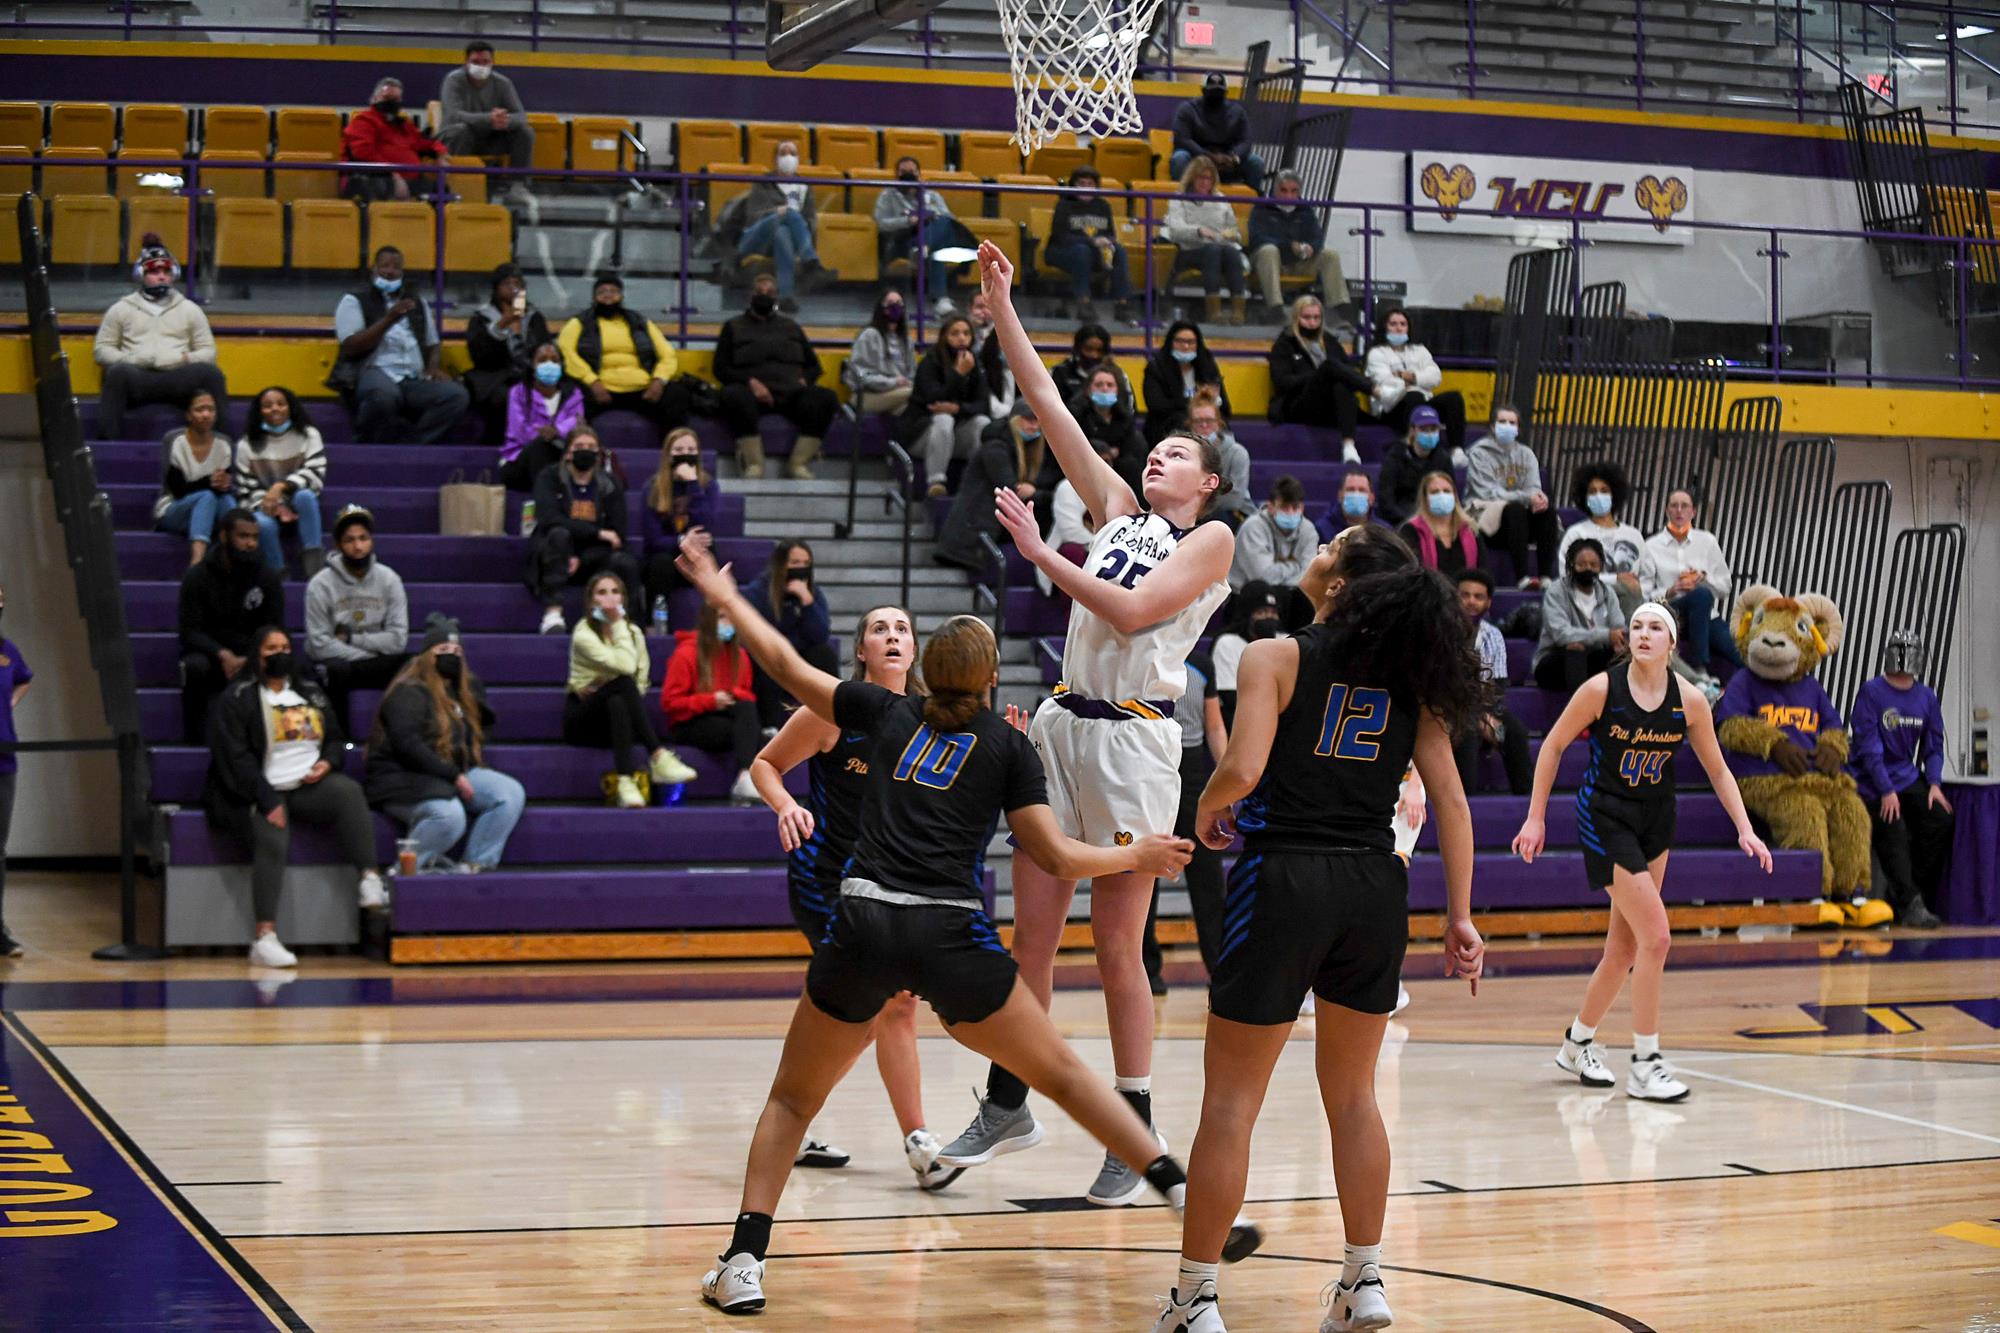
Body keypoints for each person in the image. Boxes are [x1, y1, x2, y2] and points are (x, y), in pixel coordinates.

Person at [671, 545, 1210, 1316]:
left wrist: (726, 594)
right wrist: (1140, 849)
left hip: (862, 919)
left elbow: (786, 661)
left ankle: (744, 1260)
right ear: (991, 679)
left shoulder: (883, 711)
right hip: (950, 932)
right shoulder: (1006, 742)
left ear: (925, 667)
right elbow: (1056, 854)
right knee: (1059, 1072)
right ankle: (1173, 1183)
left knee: (791, 1103)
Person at [952, 240, 1237, 1209]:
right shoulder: (1113, 505)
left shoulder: (1211, 540)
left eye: (1180, 454)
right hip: (1062, 727)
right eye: (1155, 446)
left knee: (1118, 942)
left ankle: (1132, 1127)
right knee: (1028, 931)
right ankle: (1006, 1099)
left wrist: (1039, 549)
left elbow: (1128, 613)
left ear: (1205, 483)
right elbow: (1050, 407)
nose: (1159, 454)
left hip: (1132, 738)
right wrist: (1000, 307)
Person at [1155, 524, 1485, 1333]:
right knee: (1355, 1097)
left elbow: (1244, 769)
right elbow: (1451, 802)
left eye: (1333, 544)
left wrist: (1205, 805)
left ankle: (1195, 1300)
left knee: (1230, 1101)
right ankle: (1363, 1281)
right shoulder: (1412, 679)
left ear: (1338, 583)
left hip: (1284, 878)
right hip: (1375, 887)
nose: (1319, 547)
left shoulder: (1273, 654)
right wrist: (1462, 916)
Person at [1515, 602, 1771, 1104]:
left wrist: (1745, 828)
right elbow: (1552, 747)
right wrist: (1535, 816)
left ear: (1673, 644)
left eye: (1655, 627)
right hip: (1605, 818)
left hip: (1655, 821)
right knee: (1657, 938)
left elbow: (1718, 771)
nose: (1644, 634)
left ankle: (1577, 1042)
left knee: (1624, 951)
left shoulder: (1691, 700)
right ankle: (1646, 1062)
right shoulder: (1601, 689)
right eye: (1636, 626)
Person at [748, 603, 955, 1184]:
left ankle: (791, 1117)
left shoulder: (931, 719)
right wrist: (787, 805)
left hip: (887, 882)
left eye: (903, 629)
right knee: (893, 1004)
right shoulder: (830, 710)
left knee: (866, 1015)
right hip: (825, 879)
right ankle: (920, 1146)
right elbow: (765, 764)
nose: (892, 637)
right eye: (879, 629)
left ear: (914, 651)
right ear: (861, 650)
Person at [204, 625, 388, 969]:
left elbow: (336, 738)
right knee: (272, 836)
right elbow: (235, 757)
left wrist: (328, 762)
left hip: (308, 785)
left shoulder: (310, 692)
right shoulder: (239, 696)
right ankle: (265, 937)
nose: (280, 654)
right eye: (271, 648)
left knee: (348, 792)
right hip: (259, 789)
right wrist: (266, 797)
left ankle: (370, 878)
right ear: (257, 654)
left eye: (286, 647)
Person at [365, 613, 526, 874]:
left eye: (456, 650)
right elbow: (407, 746)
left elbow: (479, 731)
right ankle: (400, 876)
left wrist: (459, 769)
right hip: (401, 777)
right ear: (427, 655)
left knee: (509, 793)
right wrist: (453, 776)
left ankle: (474, 865)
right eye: (443, 649)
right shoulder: (408, 691)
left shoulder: (463, 692)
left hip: (447, 774)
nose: (451, 655)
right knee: (448, 817)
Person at [564, 571, 698, 807]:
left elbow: (641, 680)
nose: (610, 599)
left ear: (624, 598)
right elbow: (626, 668)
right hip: (583, 716)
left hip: (618, 717)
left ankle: (626, 780)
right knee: (623, 684)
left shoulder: (634, 633)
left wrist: (611, 685)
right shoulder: (583, 632)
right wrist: (616, 623)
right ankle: (657, 755)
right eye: (602, 592)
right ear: (591, 600)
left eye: (615, 592)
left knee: (619, 699)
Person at [1851, 630, 1953, 929]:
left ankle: (1909, 893)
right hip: (1871, 778)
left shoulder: (1926, 697)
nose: (1904, 656)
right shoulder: (1871, 692)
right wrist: (1885, 789)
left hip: (1907, 775)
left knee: (1939, 819)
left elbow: (1933, 746)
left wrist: (1934, 783)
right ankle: (1910, 901)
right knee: (1891, 823)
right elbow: (1868, 747)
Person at [93, 234, 227, 441]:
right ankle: (107, 443)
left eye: (166, 271)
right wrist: (132, 359)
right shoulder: (120, 309)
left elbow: (208, 352)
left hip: (177, 377)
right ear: (141, 274)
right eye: (154, 271)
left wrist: (184, 359)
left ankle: (222, 443)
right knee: (118, 373)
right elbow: (101, 350)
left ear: (173, 274)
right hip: (139, 377)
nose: (162, 276)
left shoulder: (190, 309)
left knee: (211, 374)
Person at [332, 246, 470, 445]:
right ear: (374, 269)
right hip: (373, 371)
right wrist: (389, 319)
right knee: (383, 396)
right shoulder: (354, 300)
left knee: (456, 396)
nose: (390, 271)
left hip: (412, 378)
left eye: (396, 267)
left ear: (402, 272)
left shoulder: (416, 302)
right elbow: (351, 346)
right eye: (384, 266)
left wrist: (432, 367)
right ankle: (367, 444)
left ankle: (413, 444)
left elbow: (433, 342)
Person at [713, 273, 840, 481]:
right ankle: (754, 464)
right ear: (750, 296)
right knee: (732, 395)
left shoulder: (791, 327)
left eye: (770, 292)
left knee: (826, 398)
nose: (764, 296)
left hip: (792, 395)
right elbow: (721, 369)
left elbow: (814, 367)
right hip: (752, 396)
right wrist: (750, 382)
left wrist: (804, 380)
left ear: (777, 297)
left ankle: (799, 464)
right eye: (759, 292)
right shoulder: (733, 327)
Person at [178, 510, 283, 744]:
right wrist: (222, 654)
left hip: (252, 655)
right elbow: (189, 631)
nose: (250, 543)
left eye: (255, 537)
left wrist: (251, 657)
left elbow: (275, 627)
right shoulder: (197, 577)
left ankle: (273, 742)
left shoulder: (267, 576)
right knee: (194, 667)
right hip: (211, 655)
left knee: (281, 661)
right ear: (225, 537)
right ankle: (196, 744)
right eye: (243, 536)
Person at [305, 504, 409, 736]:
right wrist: (372, 655)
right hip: (342, 663)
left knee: (413, 665)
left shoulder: (390, 579)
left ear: (371, 541)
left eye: (363, 538)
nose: (358, 546)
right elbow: (320, 645)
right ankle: (341, 742)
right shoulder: (320, 585)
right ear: (338, 545)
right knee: (333, 668)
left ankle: (397, 740)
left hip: (369, 659)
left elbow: (398, 640)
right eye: (350, 540)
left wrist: (352, 638)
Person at [528, 425, 641, 636]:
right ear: (568, 451)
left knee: (625, 562)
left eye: (591, 446)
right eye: (579, 446)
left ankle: (631, 625)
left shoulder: (610, 483)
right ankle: (553, 613)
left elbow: (617, 535)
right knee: (559, 535)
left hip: (594, 557)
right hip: (554, 553)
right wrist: (596, 533)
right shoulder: (550, 477)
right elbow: (549, 519)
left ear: (598, 453)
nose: (585, 450)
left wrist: (582, 558)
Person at [556, 272, 689, 436]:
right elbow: (565, 353)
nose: (608, 296)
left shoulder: (640, 321)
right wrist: (592, 382)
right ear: (594, 297)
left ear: (621, 296)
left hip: (642, 389)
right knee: (572, 397)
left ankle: (675, 452)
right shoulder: (579, 323)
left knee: (677, 395)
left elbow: (667, 353)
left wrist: (658, 381)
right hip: (599, 389)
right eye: (602, 292)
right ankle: (578, 453)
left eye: (613, 291)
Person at [662, 603, 763, 804]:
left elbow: (748, 695)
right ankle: (746, 777)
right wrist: (710, 701)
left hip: (725, 716)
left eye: (731, 618)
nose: (728, 623)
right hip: (690, 722)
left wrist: (730, 695)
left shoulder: (739, 655)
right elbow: (671, 703)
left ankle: (745, 776)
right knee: (749, 733)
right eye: (722, 617)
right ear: (708, 620)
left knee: (747, 715)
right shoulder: (686, 653)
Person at [1170, 650, 1230, 974]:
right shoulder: (1148, 650)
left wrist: (1229, 781)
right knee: (1143, 876)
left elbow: (1216, 728)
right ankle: (1147, 972)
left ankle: (1221, 971)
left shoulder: (1202, 662)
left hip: (1192, 770)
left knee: (1208, 880)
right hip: (1151, 764)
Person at [1646, 489, 1742, 686]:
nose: (1679, 511)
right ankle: (1700, 667)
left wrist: (1703, 578)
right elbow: (1642, 593)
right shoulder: (1651, 546)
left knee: (1740, 653)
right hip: (1671, 611)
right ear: (1666, 510)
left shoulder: (1707, 541)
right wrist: (1670, 590)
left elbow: (1725, 586)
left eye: (1685, 506)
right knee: (1701, 596)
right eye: (1674, 505)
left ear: (1693, 512)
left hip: (1704, 613)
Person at [936, 400, 1046, 573]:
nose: (1034, 425)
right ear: (1015, 420)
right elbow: (1008, 488)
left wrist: (1037, 492)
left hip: (988, 526)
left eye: (1037, 420)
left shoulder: (1027, 449)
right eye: (1028, 419)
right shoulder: (995, 447)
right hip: (971, 532)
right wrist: (1043, 495)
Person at [743, 540, 840, 728]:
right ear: (780, 564)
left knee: (824, 653)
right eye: (795, 563)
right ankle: (769, 726)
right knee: (762, 659)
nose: (801, 569)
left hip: (799, 654)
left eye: (806, 564)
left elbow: (820, 634)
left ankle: (832, 716)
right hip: (770, 654)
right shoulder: (759, 591)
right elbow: (760, 632)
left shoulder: (813, 592)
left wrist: (807, 602)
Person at [234, 386, 328, 576]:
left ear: (290, 407)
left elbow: (315, 473)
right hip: (265, 505)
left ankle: (315, 570)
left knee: (305, 497)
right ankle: (279, 577)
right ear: (259, 411)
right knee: (263, 524)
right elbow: (245, 491)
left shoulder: (309, 435)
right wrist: (272, 504)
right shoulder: (246, 444)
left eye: (280, 404)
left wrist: (280, 488)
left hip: (298, 500)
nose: (275, 409)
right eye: (268, 406)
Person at [732, 139, 835, 313]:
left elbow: (810, 219)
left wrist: (794, 224)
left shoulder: (804, 186)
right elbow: (752, 216)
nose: (788, 157)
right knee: (788, 214)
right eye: (784, 153)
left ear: (798, 159)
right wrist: (775, 212)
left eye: (792, 153)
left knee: (783, 233)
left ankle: (786, 297)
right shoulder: (763, 183)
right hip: (755, 238)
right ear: (775, 158)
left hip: (785, 241)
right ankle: (811, 261)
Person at [1464, 403, 1559, 588]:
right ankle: (1522, 578)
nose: (1507, 426)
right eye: (1502, 421)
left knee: (1547, 513)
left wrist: (1538, 498)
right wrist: (1524, 497)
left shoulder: (1526, 454)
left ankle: (1546, 578)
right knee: (1514, 509)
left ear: (1518, 428)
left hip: (1517, 522)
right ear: (1492, 426)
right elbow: (1486, 492)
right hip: (1483, 518)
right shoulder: (1478, 453)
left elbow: (1533, 487)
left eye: (1512, 422)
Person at [1454, 568, 1530, 796]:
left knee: (1512, 733)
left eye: (1478, 597)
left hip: (1483, 715)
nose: (1471, 602)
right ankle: (1467, 805)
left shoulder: (1493, 635)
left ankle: (1525, 805)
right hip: (1446, 717)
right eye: (1465, 595)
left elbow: (1497, 687)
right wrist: (1476, 717)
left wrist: (1485, 717)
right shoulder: (1441, 631)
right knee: (1468, 733)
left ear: (1488, 603)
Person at [1266, 294, 1367, 462]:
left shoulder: (1329, 341)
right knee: (1329, 367)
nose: (1312, 322)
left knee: (1340, 384)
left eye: (1316, 317)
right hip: (1299, 405)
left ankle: (1349, 446)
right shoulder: (1285, 343)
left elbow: (1348, 371)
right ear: (1296, 318)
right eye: (1306, 317)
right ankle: (1375, 389)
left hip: (1333, 405)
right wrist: (1317, 376)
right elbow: (1282, 382)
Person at [1558, 459, 1663, 620]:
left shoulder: (1633, 535)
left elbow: (1647, 576)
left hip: (1632, 605)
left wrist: (1638, 590)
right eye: (1592, 491)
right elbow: (1567, 576)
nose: (1598, 495)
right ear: (1585, 497)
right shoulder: (1576, 533)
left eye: (1604, 490)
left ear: (1614, 495)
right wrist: (1617, 580)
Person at [898, 314, 990, 498]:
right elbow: (933, 399)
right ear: (944, 337)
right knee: (943, 419)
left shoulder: (975, 364)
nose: (961, 338)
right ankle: (936, 482)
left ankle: (977, 483)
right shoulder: (930, 363)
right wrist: (957, 373)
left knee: (981, 422)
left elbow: (983, 405)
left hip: (954, 436)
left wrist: (958, 409)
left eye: (966, 333)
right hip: (921, 435)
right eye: (954, 333)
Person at [639, 428, 720, 629]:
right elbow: (653, 539)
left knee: (710, 555)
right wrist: (682, 541)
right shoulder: (652, 488)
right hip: (664, 556)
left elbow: (706, 526)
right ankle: (655, 624)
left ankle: (713, 623)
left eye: (691, 449)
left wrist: (693, 484)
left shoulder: (708, 485)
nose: (685, 454)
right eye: (679, 449)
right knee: (661, 564)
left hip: (696, 553)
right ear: (668, 454)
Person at [465, 263, 551, 442]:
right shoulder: (481, 317)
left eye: (517, 284)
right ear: (496, 289)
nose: (513, 289)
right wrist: (503, 324)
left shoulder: (534, 317)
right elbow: (480, 357)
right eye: (507, 284)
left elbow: (545, 349)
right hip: (496, 377)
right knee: (506, 397)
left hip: (531, 376)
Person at [873, 157, 971, 313]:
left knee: (939, 232)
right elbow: (881, 223)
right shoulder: (887, 196)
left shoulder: (932, 195)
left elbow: (949, 219)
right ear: (896, 174)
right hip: (902, 240)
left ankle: (924, 247)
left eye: (912, 172)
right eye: (903, 172)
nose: (908, 175)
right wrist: (908, 220)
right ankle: (940, 300)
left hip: (929, 237)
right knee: (935, 249)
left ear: (919, 174)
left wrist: (931, 214)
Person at [1248, 169, 1347, 322]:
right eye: (1284, 190)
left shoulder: (1305, 210)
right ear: (1275, 190)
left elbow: (1317, 237)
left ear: (1299, 192)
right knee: (1268, 250)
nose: (1288, 196)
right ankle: (1275, 308)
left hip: (1299, 261)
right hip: (1271, 262)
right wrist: (1288, 246)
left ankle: (1339, 309)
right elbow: (1256, 238)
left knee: (1330, 255)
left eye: (1294, 191)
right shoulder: (1261, 208)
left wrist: (1311, 248)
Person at [152, 389, 237, 566]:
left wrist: (225, 484)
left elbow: (223, 487)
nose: (206, 415)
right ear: (189, 415)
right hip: (175, 507)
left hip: (211, 508)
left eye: (211, 409)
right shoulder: (174, 440)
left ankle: (234, 556)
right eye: (200, 409)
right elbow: (178, 489)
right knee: (207, 496)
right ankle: (197, 562)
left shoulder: (224, 443)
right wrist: (209, 483)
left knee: (228, 501)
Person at [1364, 308, 1466, 454]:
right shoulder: (1376, 353)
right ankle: (1410, 446)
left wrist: (1408, 376)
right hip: (1392, 407)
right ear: (1384, 327)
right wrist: (1418, 380)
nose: (1399, 328)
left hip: (1422, 402)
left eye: (1403, 324)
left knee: (1454, 398)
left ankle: (1457, 451)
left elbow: (1435, 376)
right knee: (1414, 396)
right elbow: (1385, 381)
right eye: (1393, 324)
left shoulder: (1420, 350)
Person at [1533, 537, 1626, 695]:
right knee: (1575, 648)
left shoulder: (1607, 592)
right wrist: (1605, 635)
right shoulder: (1556, 591)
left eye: (1593, 565)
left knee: (1624, 655)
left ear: (1601, 567)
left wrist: (1619, 640)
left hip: (1593, 658)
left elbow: (1618, 627)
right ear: (1571, 565)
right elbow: (1561, 634)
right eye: (1582, 564)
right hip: (1555, 660)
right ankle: (1580, 714)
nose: (1588, 569)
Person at [1163, 155, 1248, 326]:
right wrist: (1199, 231)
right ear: (1192, 178)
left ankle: (1238, 313)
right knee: (1213, 251)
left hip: (1221, 248)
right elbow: (1175, 231)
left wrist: (1231, 235)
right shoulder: (1178, 198)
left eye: (1209, 178)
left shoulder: (1221, 200)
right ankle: (1213, 312)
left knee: (1231, 252)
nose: (1205, 182)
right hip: (1188, 251)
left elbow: (1235, 231)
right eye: (1201, 177)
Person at [1045, 165, 1135, 324]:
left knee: (1119, 251)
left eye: (1090, 184)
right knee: (1082, 251)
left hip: (1093, 252)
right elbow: (1060, 236)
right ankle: (1083, 302)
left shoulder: (1103, 205)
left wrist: (1108, 242)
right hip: (1061, 251)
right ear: (1074, 185)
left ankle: (1122, 303)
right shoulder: (1064, 205)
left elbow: (1110, 233)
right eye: (1082, 183)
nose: (1086, 188)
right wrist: (1092, 241)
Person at [437, 41, 533, 182]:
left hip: (489, 139)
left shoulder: (503, 83)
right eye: (475, 61)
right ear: (466, 62)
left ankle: (518, 187)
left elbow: (521, 116)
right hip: (457, 137)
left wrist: (505, 120)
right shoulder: (453, 80)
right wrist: (490, 119)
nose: (480, 66)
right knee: (461, 130)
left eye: (485, 61)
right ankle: (455, 184)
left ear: (492, 63)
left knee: (525, 132)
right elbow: (454, 115)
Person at [338, 76, 446, 201]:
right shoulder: (364, 121)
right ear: (375, 99)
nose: (391, 103)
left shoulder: (404, 125)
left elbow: (424, 143)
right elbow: (363, 153)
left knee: (443, 190)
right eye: (386, 98)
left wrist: (440, 154)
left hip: (411, 180)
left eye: (395, 99)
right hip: (376, 178)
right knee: (382, 187)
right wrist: (393, 174)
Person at [499, 341, 585, 493]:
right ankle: (545, 505)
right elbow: (520, 431)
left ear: (561, 365)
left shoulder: (573, 393)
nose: (549, 364)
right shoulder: (518, 393)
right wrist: (545, 436)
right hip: (519, 461)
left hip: (560, 457)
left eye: (554, 360)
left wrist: (557, 431)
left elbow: (577, 425)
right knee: (541, 447)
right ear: (532, 364)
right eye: (542, 360)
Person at [0, 584, 30, 958]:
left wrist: (9, 704)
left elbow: (25, 677)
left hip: (4, 761)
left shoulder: (8, 652)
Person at [1169, 71, 1264, 190]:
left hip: (1227, 162)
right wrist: (1208, 156)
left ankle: (1254, 206)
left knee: (1256, 162)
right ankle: (1180, 198)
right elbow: (1182, 139)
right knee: (1179, 157)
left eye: (1219, 91)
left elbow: (1246, 140)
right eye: (1212, 91)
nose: (1216, 94)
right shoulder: (1188, 109)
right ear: (1203, 91)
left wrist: (1233, 157)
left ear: (1226, 93)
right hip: (1196, 159)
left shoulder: (1237, 111)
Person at [1210, 580, 1284, 731]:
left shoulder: (1286, 641)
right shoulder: (1228, 643)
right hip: (1241, 723)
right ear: (1247, 615)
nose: (1268, 618)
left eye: (1273, 613)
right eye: (1262, 612)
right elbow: (1230, 699)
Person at [1141, 320, 1230, 445]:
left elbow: (1225, 408)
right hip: (1166, 428)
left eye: (1191, 342)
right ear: (1171, 342)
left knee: (1224, 433)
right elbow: (1157, 406)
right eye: (1179, 341)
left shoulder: (1207, 365)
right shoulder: (1156, 367)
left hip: (1205, 425)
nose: (1185, 346)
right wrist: (1193, 405)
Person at [1068, 367, 1148, 496]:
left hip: (1120, 471)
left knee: (1132, 464)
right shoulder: (1077, 415)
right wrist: (1107, 451)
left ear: (1117, 390)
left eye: (1110, 385)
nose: (1104, 389)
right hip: (1086, 471)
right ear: (1088, 390)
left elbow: (1131, 449)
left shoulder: (1124, 417)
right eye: (1099, 385)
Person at [1229, 474, 1314, 592]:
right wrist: (1295, 566)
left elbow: (1309, 577)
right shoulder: (1253, 527)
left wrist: (1279, 570)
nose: (1290, 513)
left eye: (1295, 507)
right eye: (1284, 507)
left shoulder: (1308, 530)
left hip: (1293, 595)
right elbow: (1263, 577)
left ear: (1302, 508)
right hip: (1247, 596)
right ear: (1270, 507)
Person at [1399, 469, 1486, 578]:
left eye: (1446, 491)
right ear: (1425, 498)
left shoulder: (1471, 529)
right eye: (1434, 492)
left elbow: (1483, 573)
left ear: (1455, 496)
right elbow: (1409, 574)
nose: (1442, 495)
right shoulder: (1411, 531)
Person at [1185, 392, 1253, 528]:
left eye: (1209, 420)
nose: (1204, 425)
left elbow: (1235, 499)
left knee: (1215, 518)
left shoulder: (1237, 453)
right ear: (1190, 424)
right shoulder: (1183, 452)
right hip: (1193, 511)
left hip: (1233, 513)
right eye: (1198, 421)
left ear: (1218, 423)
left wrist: (1196, 501)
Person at [1375, 402, 1445, 525]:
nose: (1429, 434)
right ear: (1412, 430)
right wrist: (1409, 522)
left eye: (1433, 429)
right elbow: (1386, 501)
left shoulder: (1443, 458)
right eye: (1424, 429)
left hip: (1435, 520)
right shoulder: (1395, 456)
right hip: (1400, 521)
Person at [846, 290, 915, 416]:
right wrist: (894, 382)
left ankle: (894, 436)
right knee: (916, 394)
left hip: (900, 393)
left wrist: (907, 382)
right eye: (890, 303)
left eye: (899, 303)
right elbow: (861, 376)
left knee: (910, 409)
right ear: (881, 308)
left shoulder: (906, 340)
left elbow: (911, 374)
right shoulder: (869, 335)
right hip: (868, 395)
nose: (895, 307)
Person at [1050, 322, 1135, 411]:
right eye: (1088, 349)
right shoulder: (1059, 373)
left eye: (1099, 350)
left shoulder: (1118, 375)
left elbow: (1129, 409)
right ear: (1078, 348)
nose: (1094, 355)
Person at [1317, 467, 1392, 542]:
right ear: (1340, 495)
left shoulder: (1384, 532)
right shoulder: (1323, 529)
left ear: (1371, 498)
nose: (1356, 494)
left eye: (1362, 490)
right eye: (1350, 490)